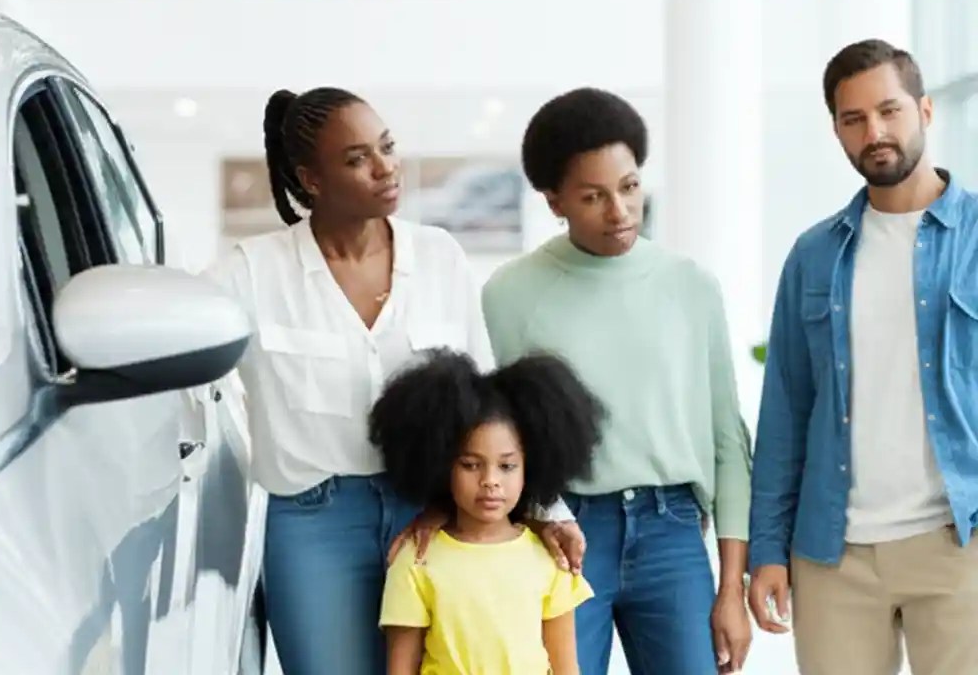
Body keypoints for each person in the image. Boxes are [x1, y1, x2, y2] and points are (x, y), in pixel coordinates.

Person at [203, 86, 584, 674]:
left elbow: (485, 401)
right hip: (313, 525)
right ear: (310, 179)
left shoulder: (438, 256)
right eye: (357, 158)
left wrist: (545, 507)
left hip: (432, 511)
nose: (385, 168)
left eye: (387, 147)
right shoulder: (250, 271)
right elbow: (175, 354)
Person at [481, 87, 754, 675]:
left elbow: (728, 441)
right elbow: (504, 443)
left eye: (629, 187)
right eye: (593, 196)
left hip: (674, 534)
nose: (620, 212)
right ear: (554, 200)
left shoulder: (690, 286)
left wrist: (731, 588)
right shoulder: (510, 294)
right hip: (563, 535)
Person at [748, 39, 978, 675]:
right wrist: (768, 548)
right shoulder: (814, 255)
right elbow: (785, 411)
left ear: (926, 111)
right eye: (854, 120)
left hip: (959, 545)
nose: (874, 132)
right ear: (837, 131)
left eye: (889, 111)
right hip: (835, 553)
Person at [371, 349, 600, 675]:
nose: (490, 481)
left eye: (507, 466)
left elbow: (566, 669)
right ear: (440, 465)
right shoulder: (415, 561)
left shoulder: (551, 560)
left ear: (530, 467)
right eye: (470, 465)